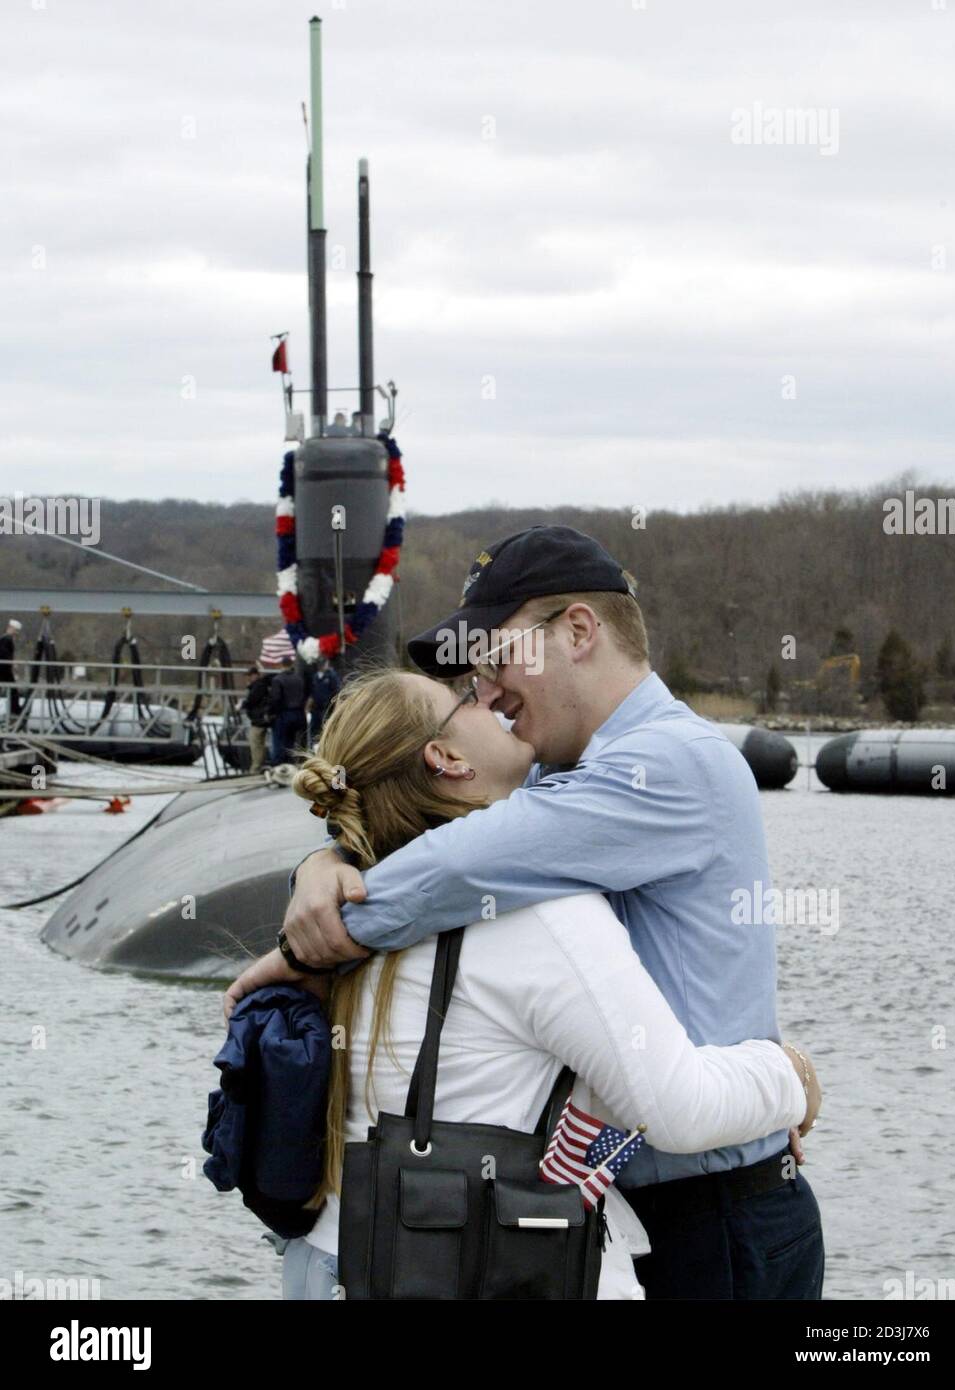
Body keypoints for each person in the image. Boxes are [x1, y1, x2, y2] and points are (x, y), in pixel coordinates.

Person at [227, 526, 826, 1300]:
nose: (487, 688)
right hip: (607, 1212)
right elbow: (438, 830)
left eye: (496, 656)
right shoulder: (557, 777)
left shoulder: (672, 766)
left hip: (714, 1214)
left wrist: (320, 937)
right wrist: (328, 861)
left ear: (578, 631)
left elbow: (463, 857)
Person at [267, 656, 307, 764]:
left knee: (279, 741)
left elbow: (276, 699)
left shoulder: (277, 679)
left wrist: (270, 713)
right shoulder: (299, 679)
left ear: (282, 665)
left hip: (284, 714)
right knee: (291, 741)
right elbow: (304, 695)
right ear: (291, 664)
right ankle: (290, 763)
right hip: (298, 713)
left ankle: (278, 766)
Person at [241, 664, 273, 773]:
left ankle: (255, 768)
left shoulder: (258, 686)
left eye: (250, 675)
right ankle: (258, 766)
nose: (249, 678)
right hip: (260, 719)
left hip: (258, 721)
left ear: (256, 675)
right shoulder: (261, 685)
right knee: (259, 744)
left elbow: (251, 700)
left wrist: (242, 705)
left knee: (255, 744)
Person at [306, 658, 341, 747]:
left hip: (327, 707)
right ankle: (312, 747)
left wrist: (336, 708)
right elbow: (312, 693)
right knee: (314, 729)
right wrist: (307, 707)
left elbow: (337, 693)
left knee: (325, 728)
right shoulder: (315, 677)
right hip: (316, 708)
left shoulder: (332, 676)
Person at [0, 619, 23, 718]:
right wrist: (12, 663)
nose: (16, 632)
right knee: (13, 691)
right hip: (4, 670)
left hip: (4, 669)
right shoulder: (7, 639)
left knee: (12, 690)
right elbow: (4, 654)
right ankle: (15, 710)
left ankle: (15, 710)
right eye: (15, 630)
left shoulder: (5, 639)